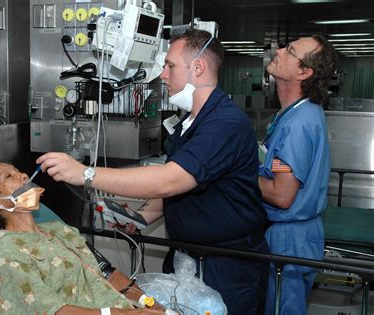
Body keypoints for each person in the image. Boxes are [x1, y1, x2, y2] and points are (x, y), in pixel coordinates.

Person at [37, 29, 269, 315]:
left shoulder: (225, 123)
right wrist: (140, 219)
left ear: (197, 67)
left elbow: (172, 180)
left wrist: (86, 173)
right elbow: (181, 189)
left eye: (170, 65)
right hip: (186, 258)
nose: (162, 75)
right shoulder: (191, 123)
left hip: (228, 266)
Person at [0, 161, 166, 315]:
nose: (24, 175)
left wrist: (152, 304)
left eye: (18, 171)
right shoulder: (7, 250)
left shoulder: (59, 230)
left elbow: (108, 274)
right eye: (9, 177)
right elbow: (50, 311)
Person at [258, 35, 337, 315]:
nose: (278, 51)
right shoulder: (293, 114)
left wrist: (239, 173)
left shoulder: (299, 124)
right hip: (295, 236)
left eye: (290, 51)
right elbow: (278, 165)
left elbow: (281, 194)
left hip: (290, 240)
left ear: (304, 72)